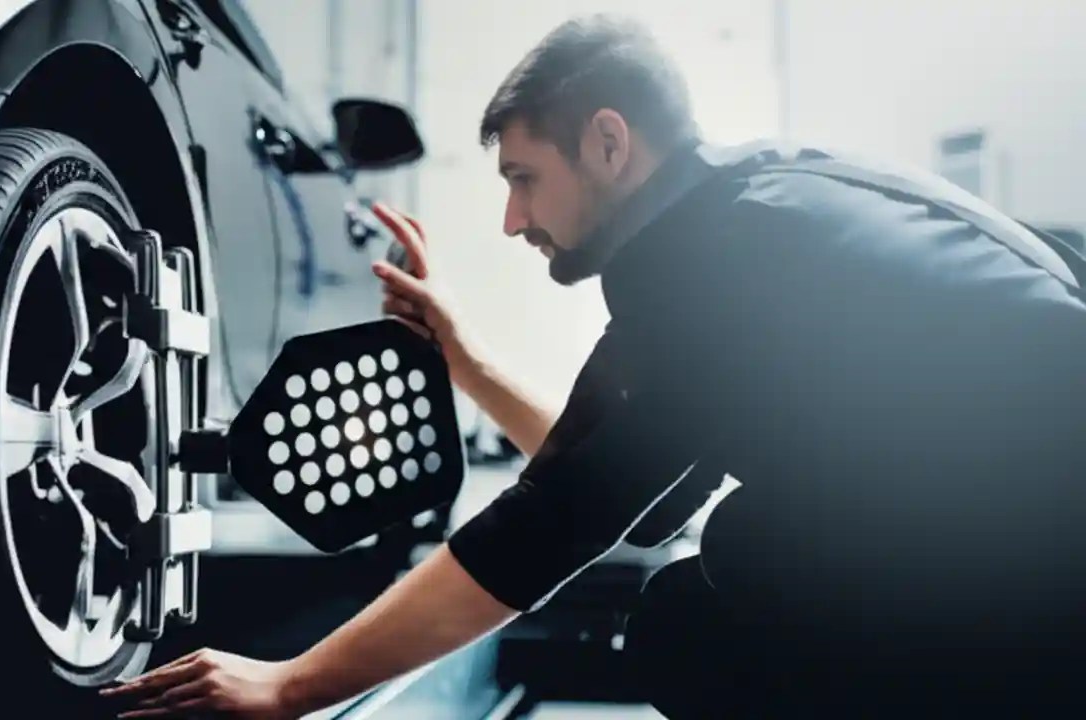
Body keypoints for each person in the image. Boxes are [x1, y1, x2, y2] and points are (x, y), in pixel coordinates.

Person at [103, 14, 1086, 718]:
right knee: (736, 548)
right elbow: (633, 496)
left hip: (1034, 603)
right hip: (1031, 564)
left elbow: (545, 528)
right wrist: (465, 360)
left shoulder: (705, 266)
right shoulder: (758, 204)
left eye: (523, 179)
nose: (511, 219)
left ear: (608, 143)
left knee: (694, 614)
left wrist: (288, 684)